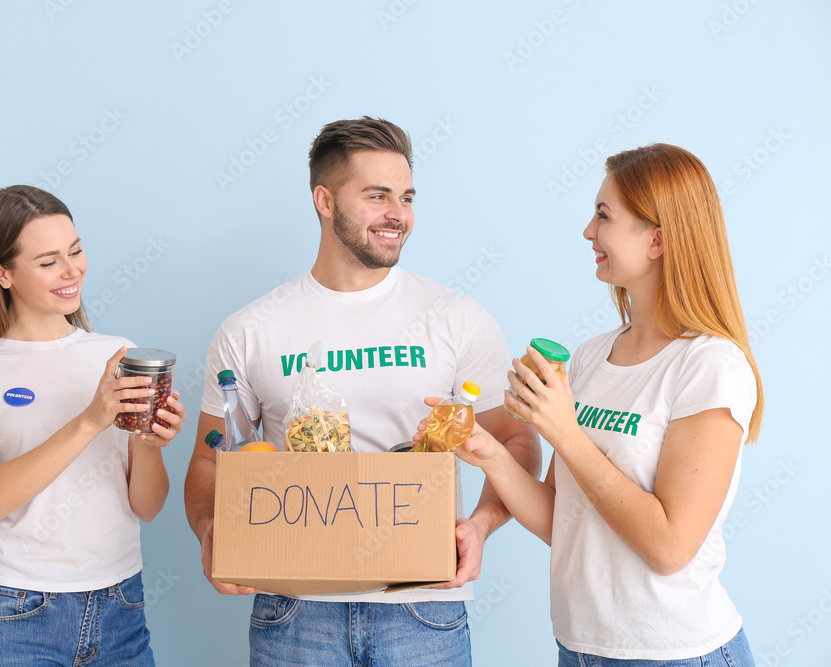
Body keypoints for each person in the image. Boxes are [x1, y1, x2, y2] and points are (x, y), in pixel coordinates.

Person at [184, 117, 541, 666]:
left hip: (420, 604)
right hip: (295, 606)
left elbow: (516, 442)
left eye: (406, 197)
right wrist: (212, 529)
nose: (398, 214)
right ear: (324, 201)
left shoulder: (455, 318)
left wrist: (481, 525)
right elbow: (210, 463)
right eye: (377, 196)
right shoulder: (250, 329)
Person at [437, 144, 763, 665]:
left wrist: (565, 431)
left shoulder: (709, 367)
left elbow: (669, 547)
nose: (588, 232)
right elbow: (563, 520)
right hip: (580, 650)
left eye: (603, 215)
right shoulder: (591, 357)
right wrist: (487, 453)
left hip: (675, 654)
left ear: (657, 239)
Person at [0, 185, 185, 666]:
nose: (72, 272)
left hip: (120, 606)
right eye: (48, 262)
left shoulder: (118, 355)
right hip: (15, 615)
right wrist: (90, 419)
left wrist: (149, 442)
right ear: (1, 272)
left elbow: (147, 507)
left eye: (76, 251)